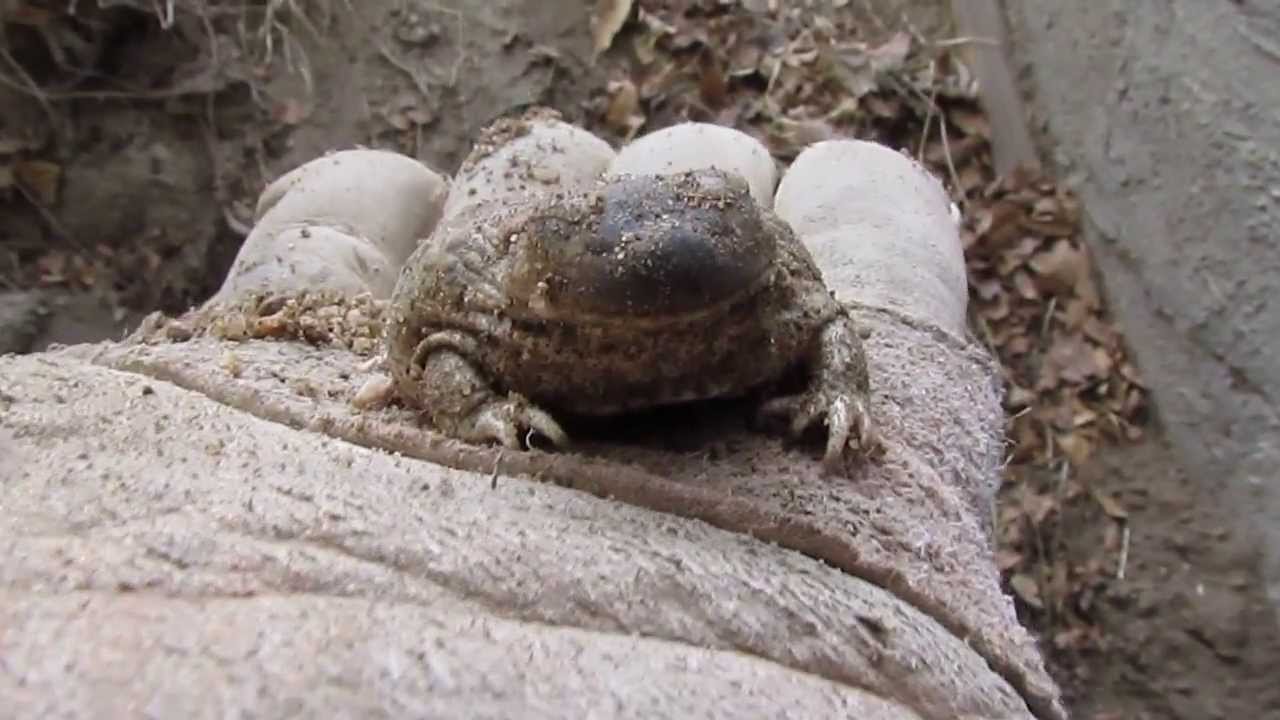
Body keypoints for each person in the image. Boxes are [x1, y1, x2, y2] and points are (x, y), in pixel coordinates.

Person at [0, 109, 1065, 720]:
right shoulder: (487, 291)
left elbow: (822, 318)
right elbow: (426, 339)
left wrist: (841, 393)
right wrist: (473, 410)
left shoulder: (770, 297)